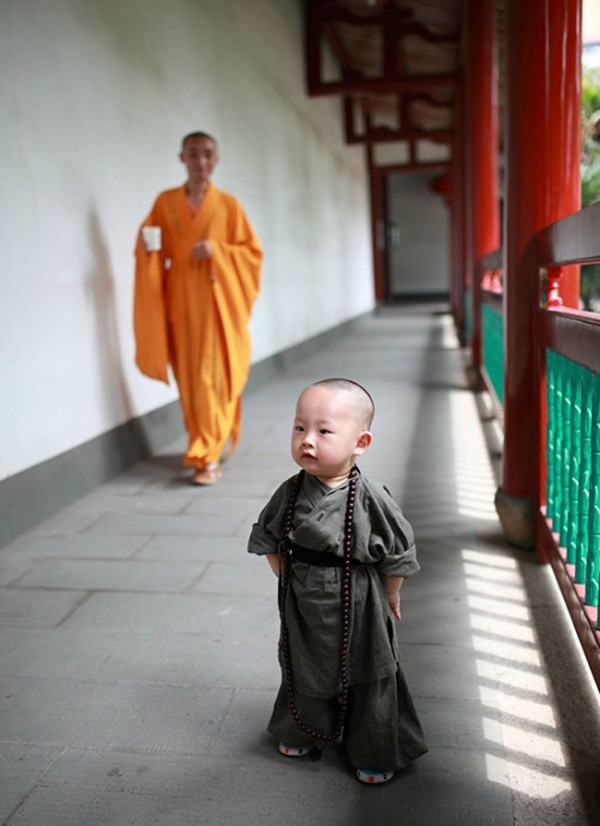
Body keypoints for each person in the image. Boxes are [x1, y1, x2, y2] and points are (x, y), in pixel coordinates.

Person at [247, 378, 427, 784]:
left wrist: (391, 594)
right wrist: (286, 574)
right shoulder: (290, 492)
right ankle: (303, 730)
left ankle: (374, 749)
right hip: (304, 598)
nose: (307, 441)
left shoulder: (371, 497)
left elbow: (397, 552)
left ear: (360, 442)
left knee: (370, 670)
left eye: (323, 431)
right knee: (303, 662)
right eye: (299, 428)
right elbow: (268, 535)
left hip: (360, 598)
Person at [134, 132, 263, 485]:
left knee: (213, 377)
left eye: (207, 154)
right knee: (191, 378)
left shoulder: (228, 205)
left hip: (215, 300)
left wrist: (219, 252)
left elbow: (251, 254)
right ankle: (204, 441)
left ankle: (207, 456)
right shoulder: (165, 202)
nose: (201, 161)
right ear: (182, 158)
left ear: (216, 159)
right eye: (194, 154)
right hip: (180, 298)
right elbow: (150, 245)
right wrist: (148, 251)